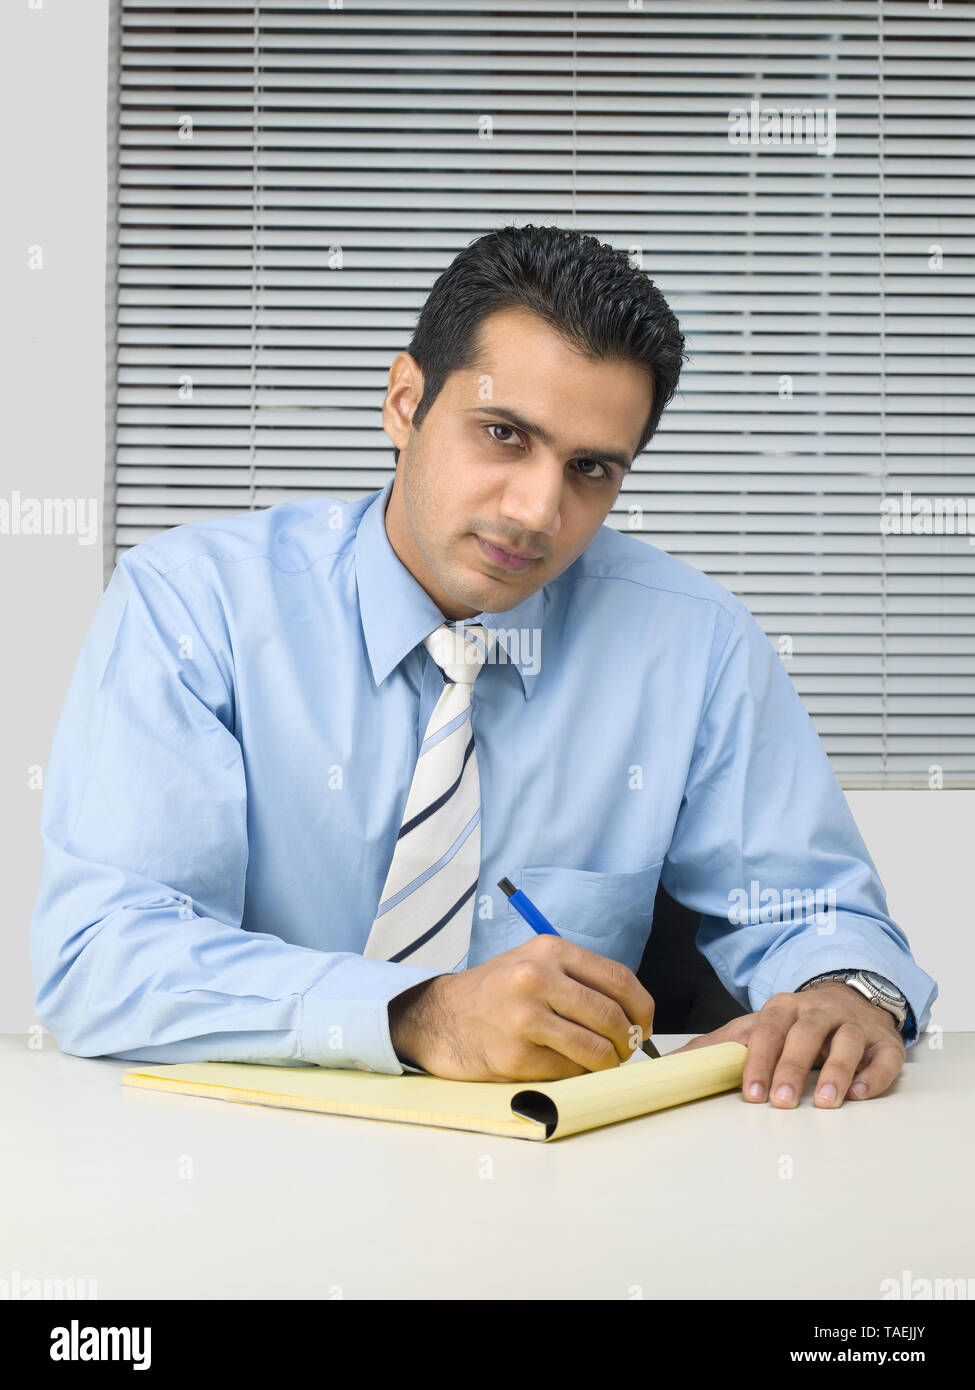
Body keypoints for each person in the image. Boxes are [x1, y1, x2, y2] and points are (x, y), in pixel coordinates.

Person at [30, 224, 937, 1109]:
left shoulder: (692, 643)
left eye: (590, 468)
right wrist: (415, 1015)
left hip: (562, 1175)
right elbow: (104, 953)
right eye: (504, 434)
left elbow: (815, 913)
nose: (538, 510)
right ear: (403, 402)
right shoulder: (195, 605)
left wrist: (848, 994)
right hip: (243, 1159)